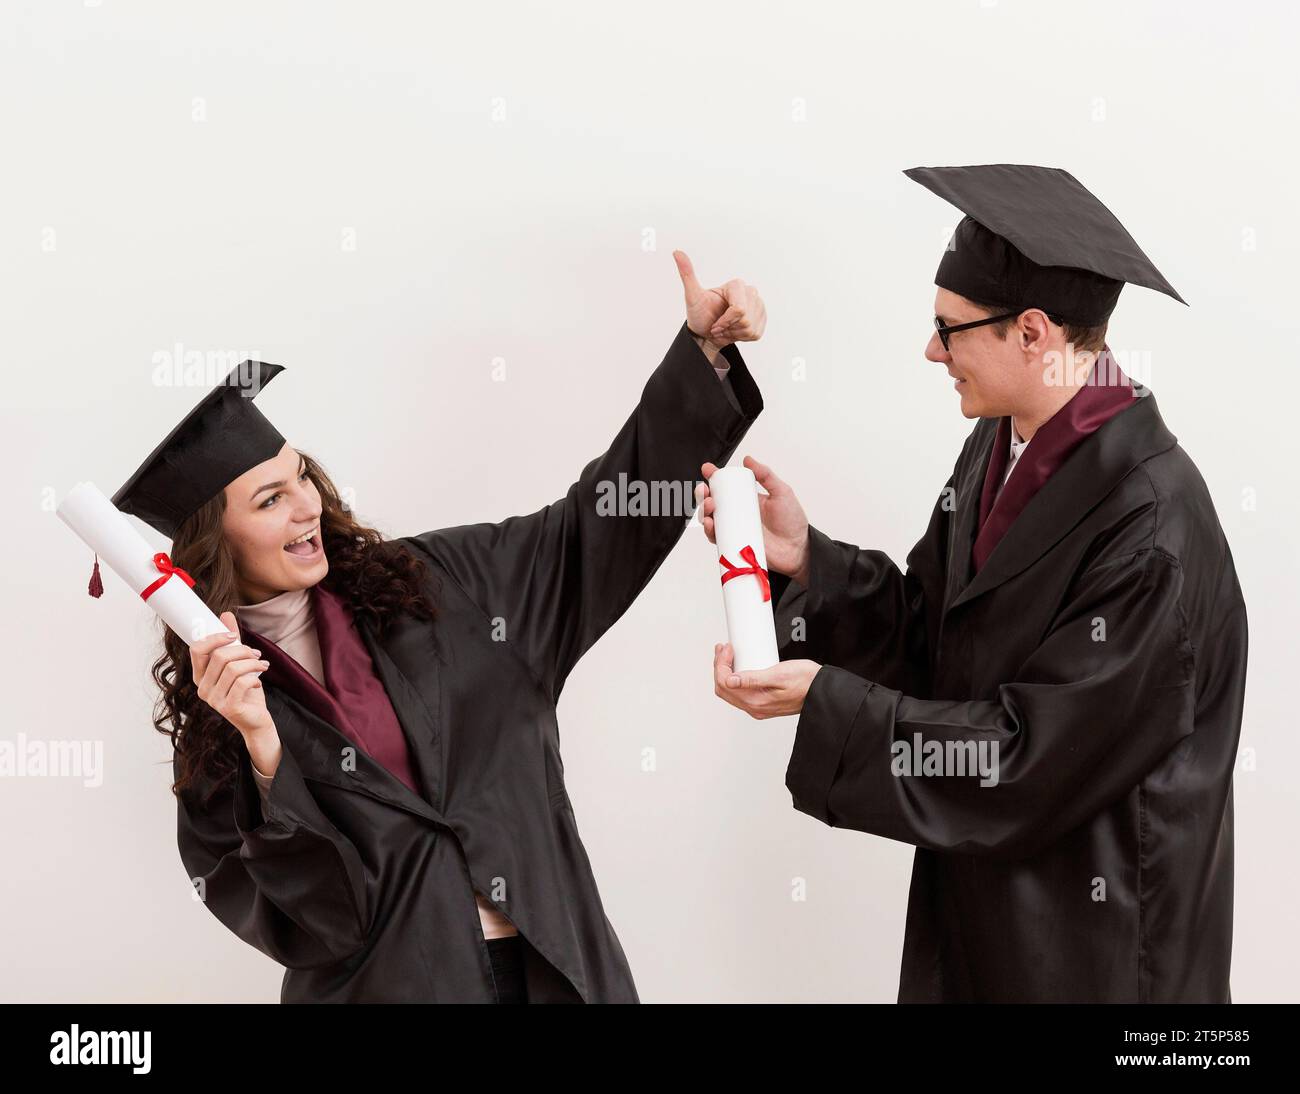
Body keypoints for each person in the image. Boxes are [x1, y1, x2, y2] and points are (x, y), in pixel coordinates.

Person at [107, 251, 767, 1002]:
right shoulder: (216, 730)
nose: (306, 508)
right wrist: (263, 749)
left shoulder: (442, 587)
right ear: (213, 546)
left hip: (553, 970)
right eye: (268, 501)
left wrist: (701, 356)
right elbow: (318, 925)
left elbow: (594, 529)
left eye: (301, 477)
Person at [698, 165, 1248, 1003]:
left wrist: (827, 704)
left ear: (1032, 333)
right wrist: (809, 559)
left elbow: (1027, 758)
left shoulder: (1153, 530)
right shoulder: (1001, 444)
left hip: (1096, 959)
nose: (931, 350)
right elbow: (934, 630)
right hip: (981, 928)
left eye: (947, 328)